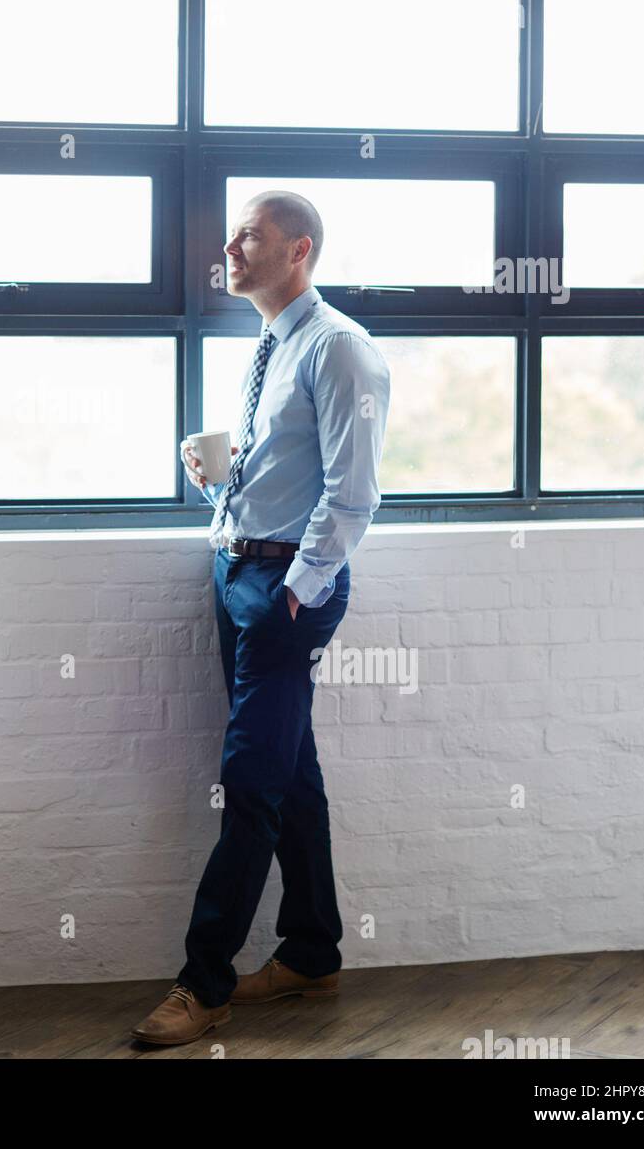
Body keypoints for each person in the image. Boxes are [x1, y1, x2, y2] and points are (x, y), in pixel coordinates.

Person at [131, 191, 391, 1047]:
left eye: (249, 234)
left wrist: (299, 586)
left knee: (249, 782)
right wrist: (222, 486)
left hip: (287, 591)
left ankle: (204, 983)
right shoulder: (272, 344)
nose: (229, 246)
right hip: (238, 569)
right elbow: (288, 476)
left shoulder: (342, 349)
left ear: (298, 251)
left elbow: (354, 495)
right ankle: (312, 953)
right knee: (291, 772)